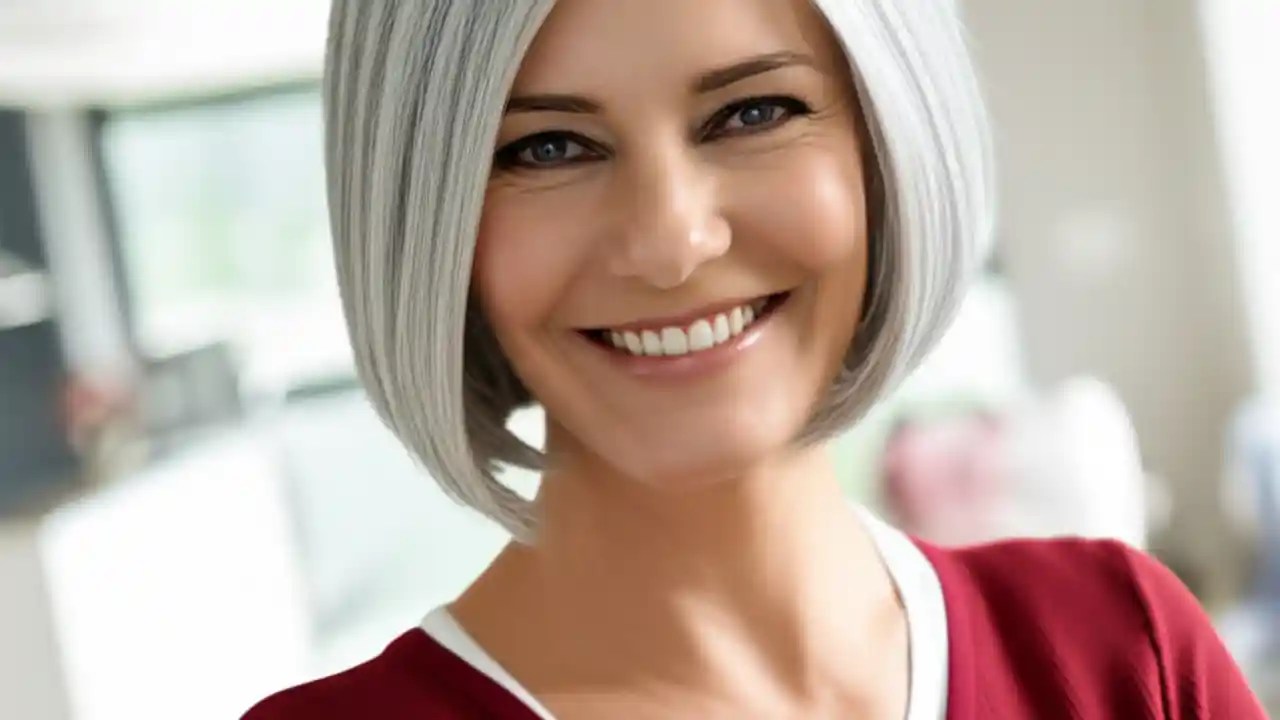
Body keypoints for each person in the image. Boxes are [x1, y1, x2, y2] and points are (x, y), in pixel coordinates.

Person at [245, 0, 1266, 717]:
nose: (668, 240)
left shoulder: (1121, 654)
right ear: (433, 219)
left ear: (882, 142)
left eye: (751, 113)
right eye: (548, 147)